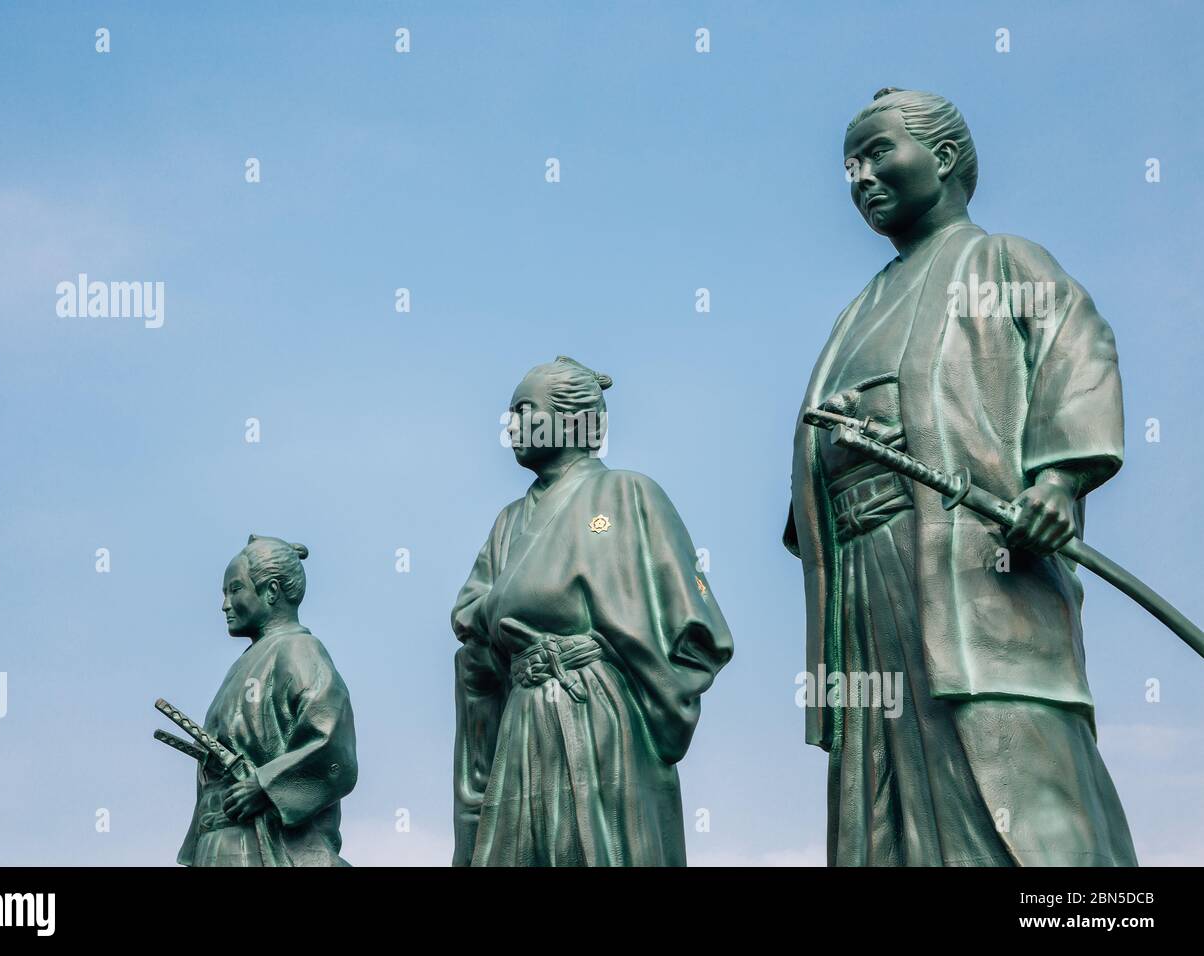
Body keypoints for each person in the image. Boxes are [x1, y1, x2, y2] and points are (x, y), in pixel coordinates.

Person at [785, 88, 1137, 866]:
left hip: (975, 557)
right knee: (887, 787)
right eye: (850, 163)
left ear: (942, 159)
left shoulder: (1000, 259)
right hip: (870, 573)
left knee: (1010, 758)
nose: (860, 176)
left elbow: (1077, 351)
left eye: (879, 152)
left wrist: (1059, 481)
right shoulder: (860, 308)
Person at [452, 356, 733, 866]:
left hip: (601, 714)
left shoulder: (629, 494)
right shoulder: (508, 523)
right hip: (522, 719)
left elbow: (699, 630)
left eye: (523, 410)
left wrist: (641, 686)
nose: (511, 425)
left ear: (573, 419)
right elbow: (470, 619)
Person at [178, 535, 358, 866]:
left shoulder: (299, 651)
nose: (224, 604)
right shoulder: (246, 663)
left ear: (271, 591)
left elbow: (335, 749)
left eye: (235, 590)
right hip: (220, 841)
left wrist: (265, 785)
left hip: (261, 843)